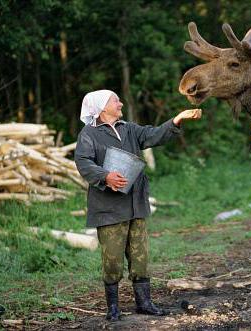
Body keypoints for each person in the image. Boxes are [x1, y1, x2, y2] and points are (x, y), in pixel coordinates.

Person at [74, 89, 201, 321]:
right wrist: (105, 176)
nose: (120, 103)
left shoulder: (129, 128)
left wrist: (177, 119)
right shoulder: (89, 134)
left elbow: (154, 135)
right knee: (112, 259)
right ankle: (113, 307)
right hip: (109, 208)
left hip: (136, 202)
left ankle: (144, 303)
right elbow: (83, 162)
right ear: (102, 107)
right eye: (116, 100)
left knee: (140, 257)